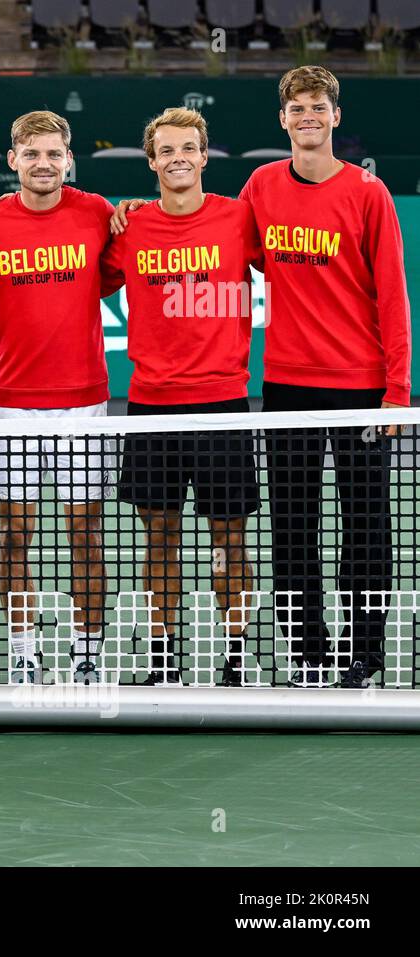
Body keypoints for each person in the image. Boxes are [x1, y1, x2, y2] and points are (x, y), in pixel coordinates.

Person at [240, 67, 411, 689]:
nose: (307, 116)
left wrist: (397, 393)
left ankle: (363, 655)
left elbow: (393, 296)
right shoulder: (259, 185)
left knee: (365, 526)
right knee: (292, 525)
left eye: (318, 107)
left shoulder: (369, 194)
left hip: (362, 388)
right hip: (287, 385)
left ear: (335, 117)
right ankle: (311, 654)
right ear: (282, 119)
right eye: (296, 108)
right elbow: (225, 244)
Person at [101, 108, 264, 686]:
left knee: (229, 538)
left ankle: (237, 656)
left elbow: (297, 271)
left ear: (203, 156)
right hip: (151, 403)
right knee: (160, 536)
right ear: (152, 161)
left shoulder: (238, 219)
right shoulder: (131, 227)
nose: (177, 158)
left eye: (188, 148)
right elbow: (84, 284)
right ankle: (166, 657)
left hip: (222, 402)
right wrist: (119, 214)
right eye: (166, 150)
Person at [0, 110, 121, 685]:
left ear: (69, 159)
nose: (43, 164)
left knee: (85, 532)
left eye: (54, 154)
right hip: (13, 402)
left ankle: (87, 651)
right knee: (15, 534)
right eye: (31, 154)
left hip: (85, 402)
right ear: (13, 160)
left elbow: (108, 278)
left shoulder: (96, 212)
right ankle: (22, 649)